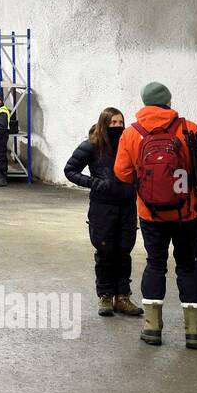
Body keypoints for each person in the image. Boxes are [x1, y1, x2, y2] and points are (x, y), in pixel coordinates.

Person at [114, 81, 197, 350]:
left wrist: (146, 182)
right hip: (187, 213)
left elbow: (122, 172)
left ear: (145, 103)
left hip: (150, 215)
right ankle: (195, 331)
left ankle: (152, 328)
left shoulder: (132, 133)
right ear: (169, 102)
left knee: (155, 264)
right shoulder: (189, 128)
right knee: (187, 266)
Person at [64, 107, 142, 317]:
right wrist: (94, 183)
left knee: (124, 251)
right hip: (102, 207)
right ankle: (105, 296)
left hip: (127, 206)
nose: (117, 126)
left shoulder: (130, 144)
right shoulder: (92, 145)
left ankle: (123, 297)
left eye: (120, 122)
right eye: (113, 123)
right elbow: (70, 170)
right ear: (104, 123)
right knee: (105, 252)